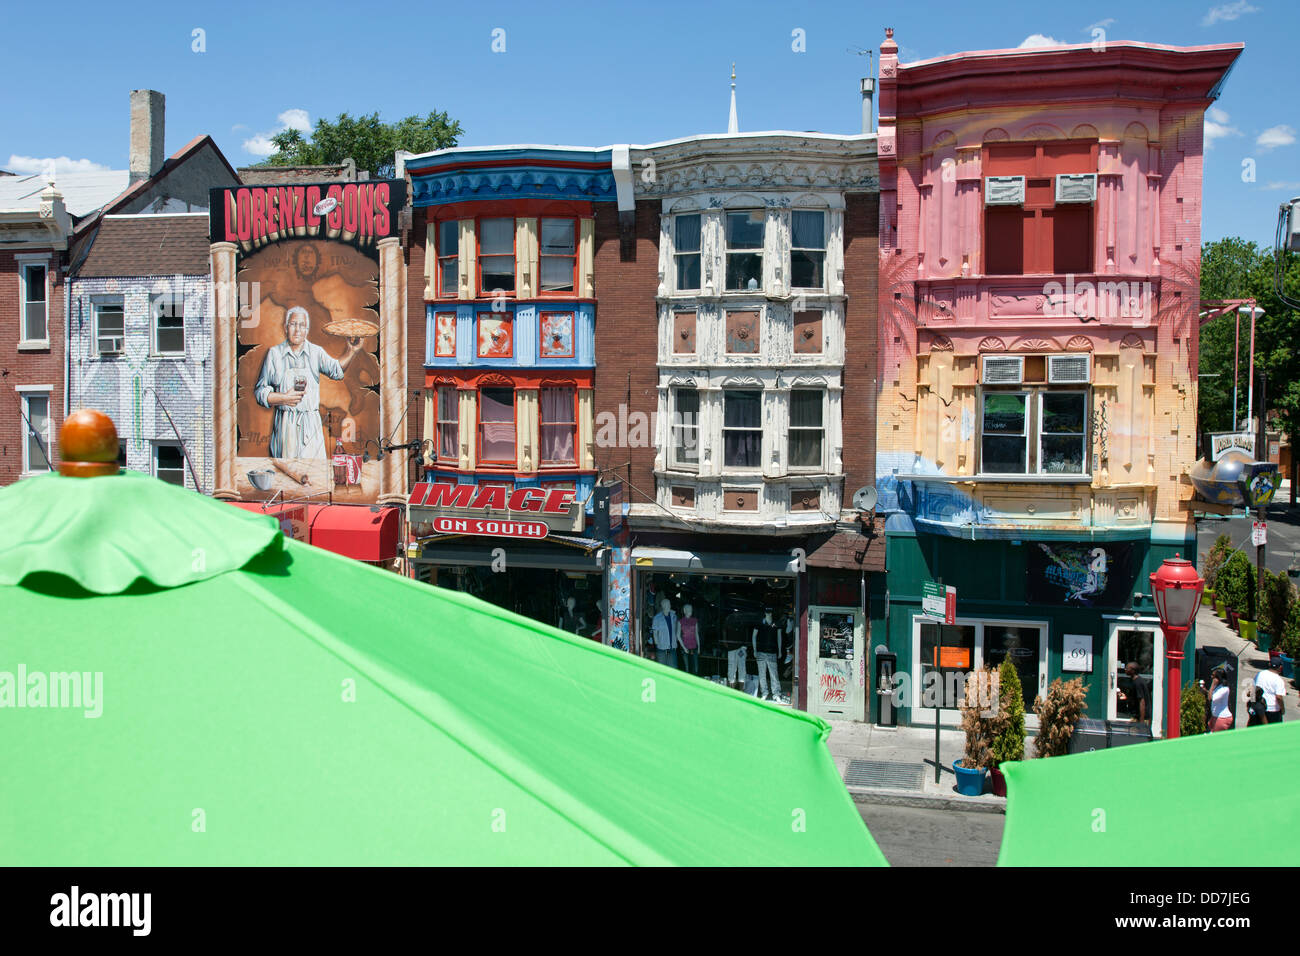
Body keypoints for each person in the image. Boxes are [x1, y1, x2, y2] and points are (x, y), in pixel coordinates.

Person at [254, 306, 362, 459]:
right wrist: (284, 398)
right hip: (285, 426)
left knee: (314, 474)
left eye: (302, 325)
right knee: (286, 476)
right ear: (285, 328)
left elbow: (336, 371)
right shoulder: (274, 354)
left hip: (311, 425)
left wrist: (352, 351)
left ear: (307, 330)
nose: (297, 330)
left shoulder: (316, 353)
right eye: (293, 324)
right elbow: (260, 392)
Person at [753, 608, 782, 701]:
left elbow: (779, 638)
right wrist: (754, 650)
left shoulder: (776, 624)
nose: (769, 614)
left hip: (772, 652)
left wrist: (780, 650)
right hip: (761, 652)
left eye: (770, 612)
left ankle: (776, 694)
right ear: (765, 613)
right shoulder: (760, 623)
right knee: (762, 674)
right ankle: (764, 693)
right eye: (767, 612)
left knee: (774, 674)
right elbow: (753, 636)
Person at [1255, 657, 1287, 725]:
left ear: (1269, 664)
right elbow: (1278, 697)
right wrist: (1283, 709)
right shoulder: (1278, 680)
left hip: (1259, 707)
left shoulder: (1260, 674)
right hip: (1272, 710)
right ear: (1280, 667)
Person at [650, 598, 678, 669]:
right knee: (662, 668)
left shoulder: (674, 616)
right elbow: (655, 632)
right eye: (667, 604)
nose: (669, 606)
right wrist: (657, 643)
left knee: (673, 668)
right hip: (661, 647)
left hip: (672, 647)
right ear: (663, 606)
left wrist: (676, 640)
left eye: (669, 604)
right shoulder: (657, 618)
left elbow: (676, 629)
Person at [1208, 667, 1234, 732]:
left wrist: (1212, 685)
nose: (1211, 677)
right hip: (1215, 716)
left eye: (1213, 676)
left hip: (1222, 717)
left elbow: (1211, 698)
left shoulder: (1224, 689)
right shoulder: (1218, 687)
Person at [677, 603, 700, 675]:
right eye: (688, 609)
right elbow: (678, 635)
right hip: (685, 649)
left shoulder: (695, 621)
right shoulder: (680, 621)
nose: (690, 610)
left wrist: (699, 647)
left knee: (695, 669)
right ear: (684, 610)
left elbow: (696, 634)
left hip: (694, 648)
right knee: (686, 669)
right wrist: (684, 648)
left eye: (691, 609)